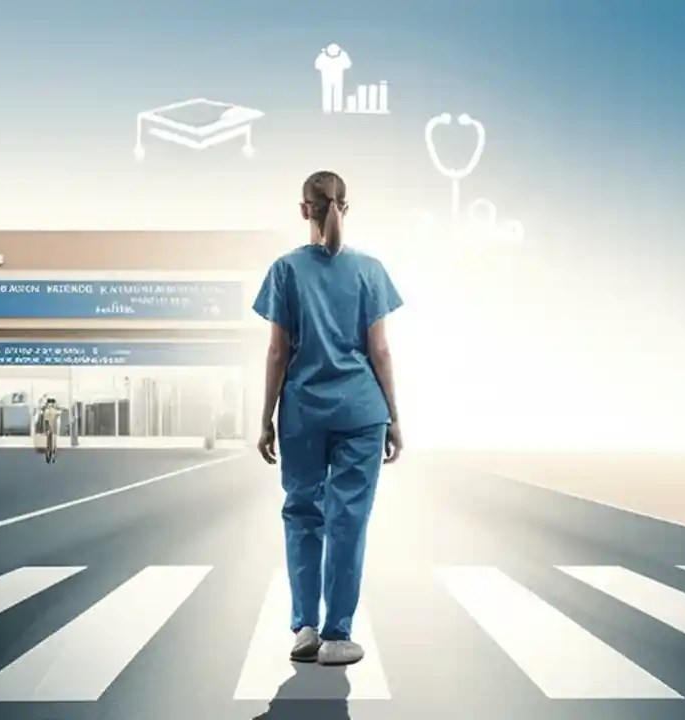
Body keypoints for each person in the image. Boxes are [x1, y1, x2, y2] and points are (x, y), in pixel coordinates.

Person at [253, 170, 404, 667]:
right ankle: (339, 636)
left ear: (304, 210)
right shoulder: (371, 270)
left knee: (302, 514)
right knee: (348, 521)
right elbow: (380, 351)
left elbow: (278, 352)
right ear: (346, 207)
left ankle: (305, 628)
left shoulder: (284, 270)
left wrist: (266, 418)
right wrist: (394, 417)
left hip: (302, 411)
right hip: (362, 410)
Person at [314, 43, 352, 114]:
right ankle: (330, 108)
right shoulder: (323, 56)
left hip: (334, 76)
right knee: (329, 92)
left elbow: (348, 64)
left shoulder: (342, 55)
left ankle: (335, 108)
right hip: (329, 77)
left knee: (334, 92)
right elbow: (317, 65)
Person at [39, 398, 61, 464]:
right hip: (51, 427)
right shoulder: (51, 410)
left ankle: (51, 456)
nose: (50, 405)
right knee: (51, 442)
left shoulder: (47, 410)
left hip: (50, 427)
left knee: (50, 442)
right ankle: (51, 456)